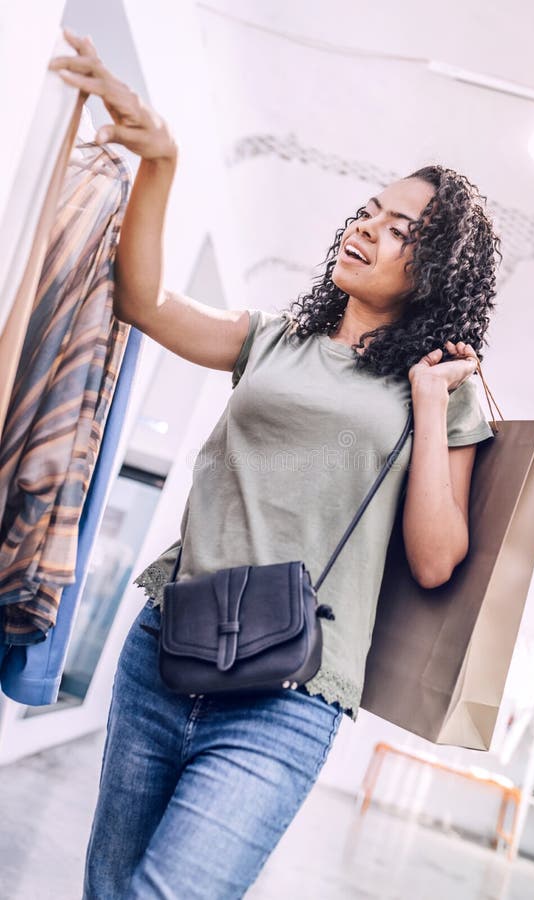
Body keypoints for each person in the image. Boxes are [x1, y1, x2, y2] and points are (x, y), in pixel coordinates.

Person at [49, 28, 500, 900]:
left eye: (400, 229)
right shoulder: (272, 342)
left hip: (289, 695)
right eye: (368, 210)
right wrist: (163, 163)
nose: (369, 228)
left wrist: (433, 399)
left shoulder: (440, 389)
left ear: (437, 266)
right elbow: (143, 300)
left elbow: (439, 559)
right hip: (168, 644)